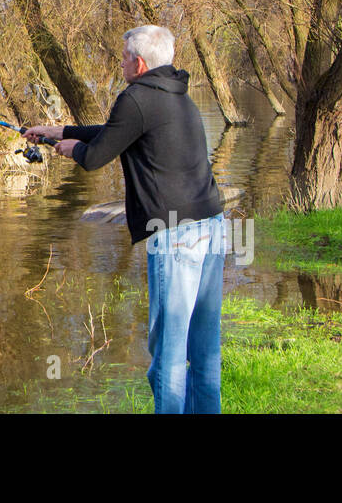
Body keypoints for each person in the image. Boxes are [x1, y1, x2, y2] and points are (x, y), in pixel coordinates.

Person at [23, 24, 226, 413]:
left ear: (138, 62)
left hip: (176, 236)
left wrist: (73, 149)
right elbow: (119, 132)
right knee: (203, 347)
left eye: (122, 57)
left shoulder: (135, 97)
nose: (120, 64)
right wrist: (60, 130)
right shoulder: (178, 96)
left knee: (167, 352)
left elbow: (99, 155)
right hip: (211, 225)